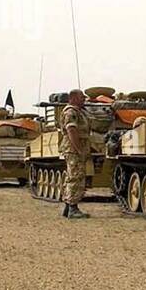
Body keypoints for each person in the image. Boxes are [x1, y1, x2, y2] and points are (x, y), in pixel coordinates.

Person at [60, 89, 91, 218]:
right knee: (76, 177)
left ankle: (68, 207)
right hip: (74, 150)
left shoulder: (78, 111)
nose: (83, 99)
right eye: (81, 97)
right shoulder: (71, 112)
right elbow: (71, 130)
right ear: (72, 98)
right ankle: (73, 208)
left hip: (74, 149)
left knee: (72, 176)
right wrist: (79, 149)